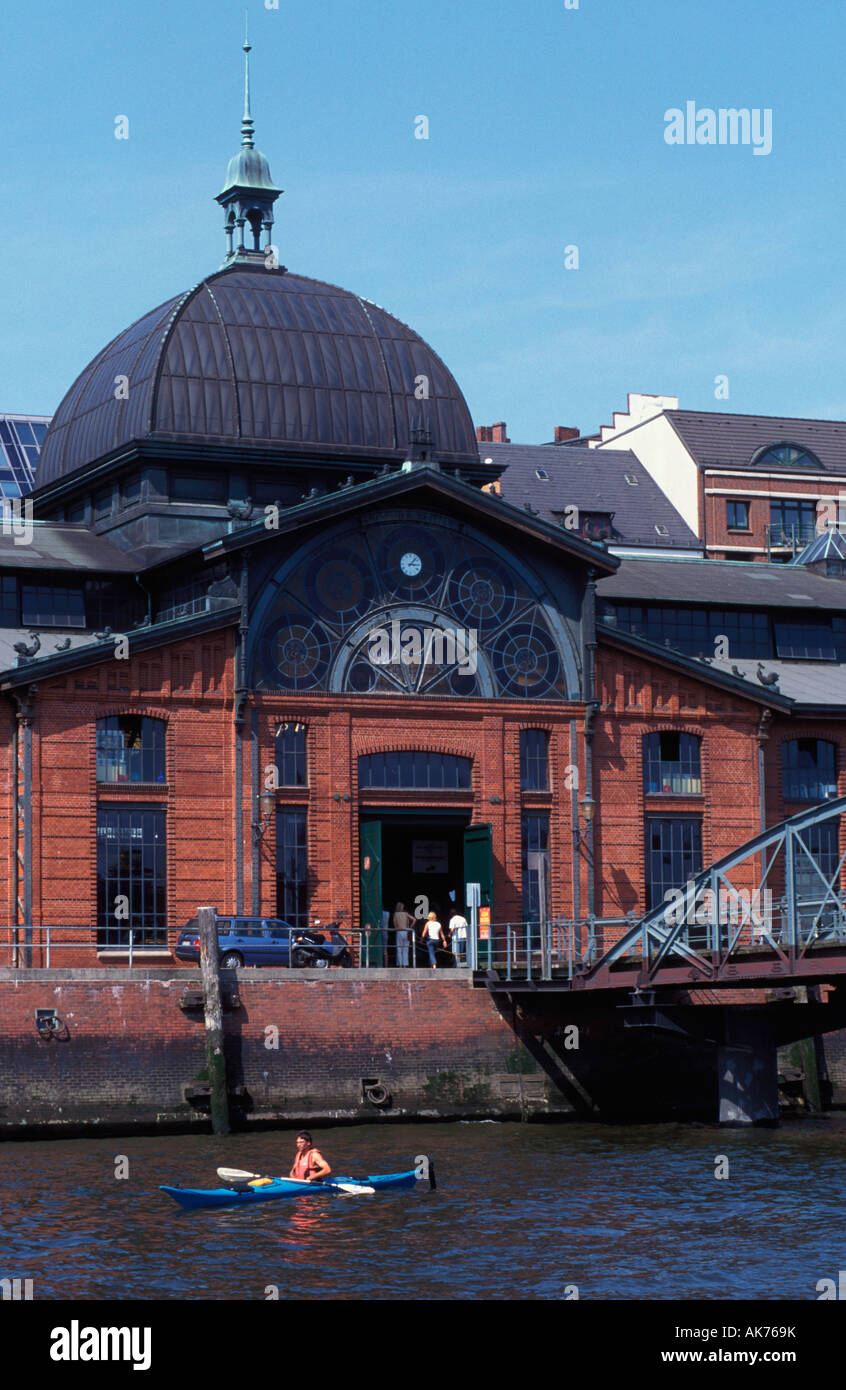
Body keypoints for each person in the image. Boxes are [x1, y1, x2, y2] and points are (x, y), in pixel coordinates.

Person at [392, 901, 414, 967]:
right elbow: (414, 920)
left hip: (399, 932)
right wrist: (410, 927)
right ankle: (405, 964)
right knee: (405, 949)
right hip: (406, 931)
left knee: (399, 949)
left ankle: (400, 965)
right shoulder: (406, 914)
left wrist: (396, 927)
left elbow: (394, 923)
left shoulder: (395, 914)